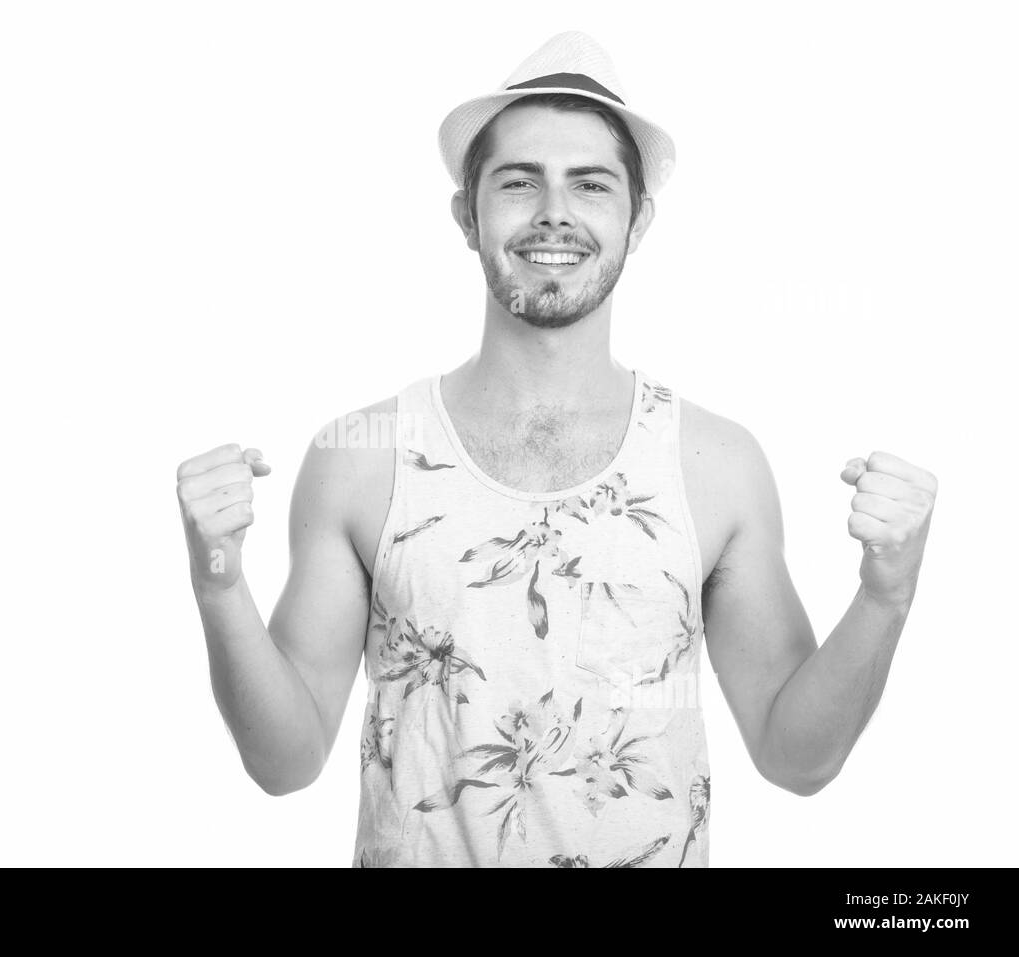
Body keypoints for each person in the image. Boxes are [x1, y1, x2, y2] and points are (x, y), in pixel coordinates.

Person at [174, 31, 937, 867]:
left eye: (591, 184)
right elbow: (284, 762)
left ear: (636, 221)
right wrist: (219, 582)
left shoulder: (715, 467)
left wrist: (885, 594)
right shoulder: (363, 458)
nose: (554, 214)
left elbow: (798, 758)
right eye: (518, 182)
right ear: (468, 215)